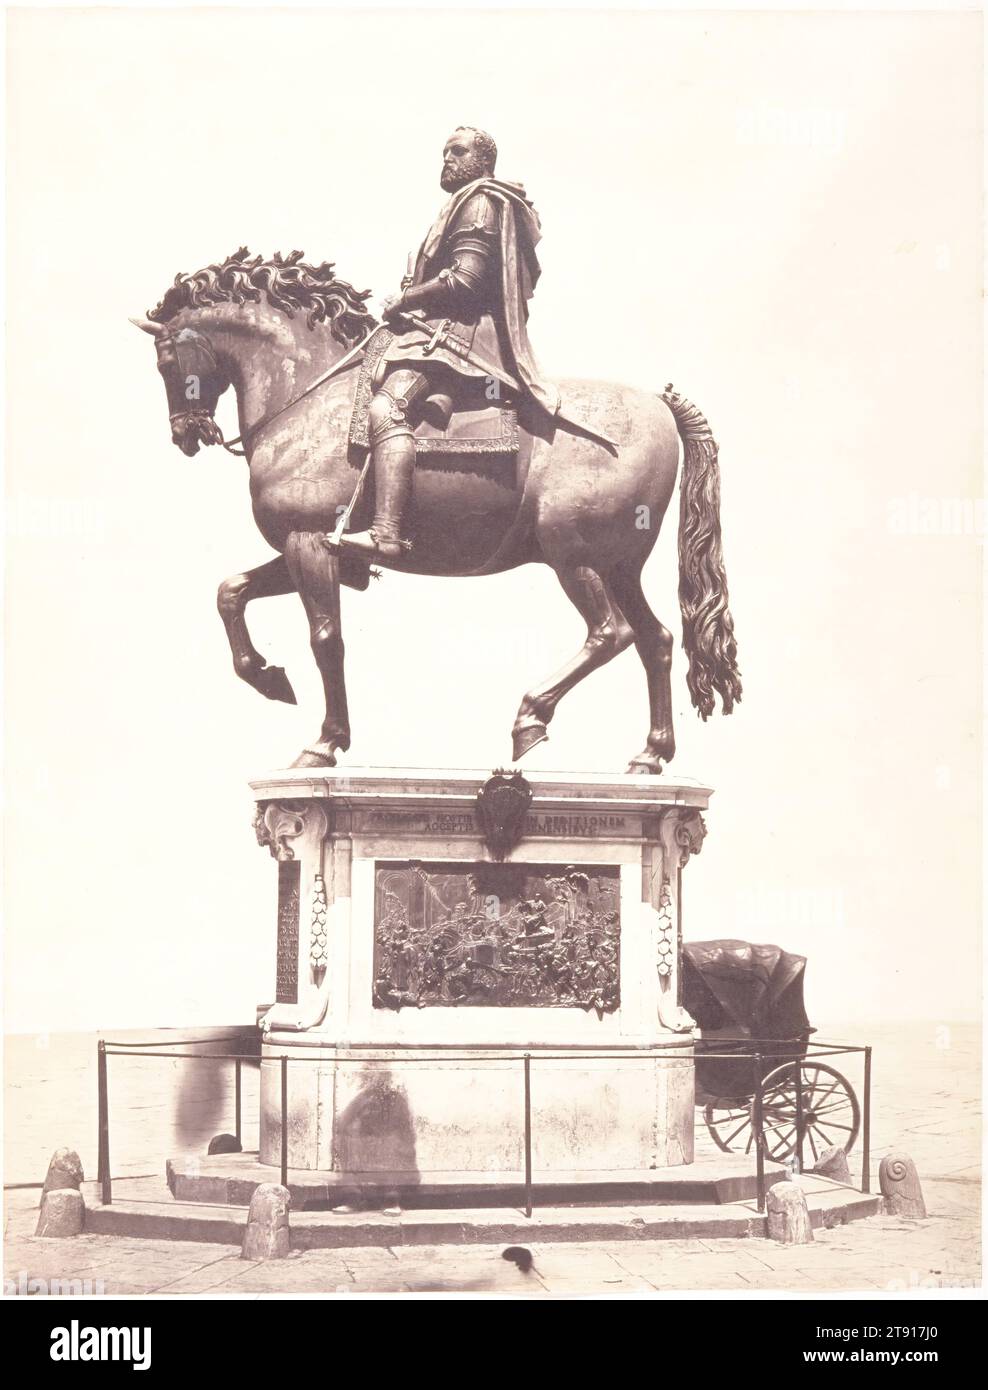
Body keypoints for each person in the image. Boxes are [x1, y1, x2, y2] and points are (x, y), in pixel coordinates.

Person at [339, 125, 560, 560]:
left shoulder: (480, 201)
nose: (447, 159)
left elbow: (466, 279)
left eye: (457, 152)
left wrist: (406, 298)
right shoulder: (463, 203)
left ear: (483, 162)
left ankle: (386, 532)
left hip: (460, 336)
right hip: (442, 330)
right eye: (444, 152)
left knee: (387, 407)